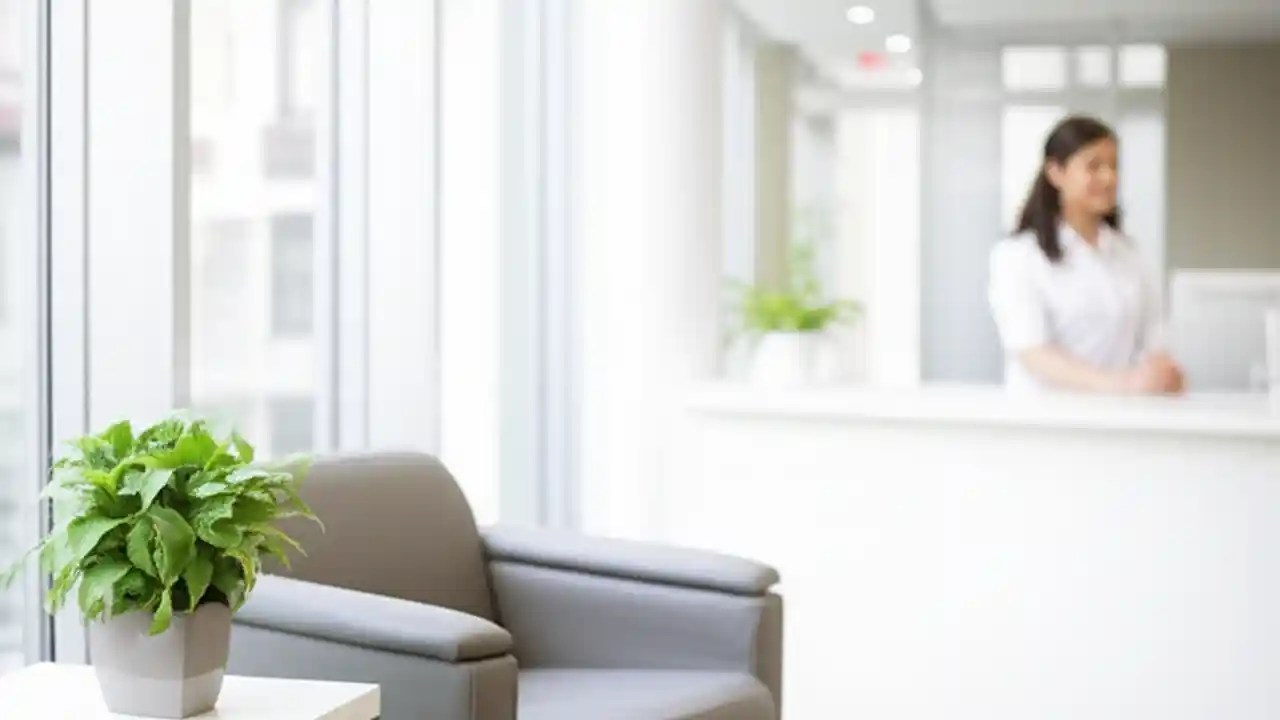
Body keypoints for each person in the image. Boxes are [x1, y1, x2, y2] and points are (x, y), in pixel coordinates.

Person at [988, 115, 1184, 394]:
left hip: (1120, 418)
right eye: (1094, 166)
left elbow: (1154, 337)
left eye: (1114, 166)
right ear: (1056, 172)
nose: (1109, 178)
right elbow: (1033, 352)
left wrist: (1163, 375)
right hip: (1046, 421)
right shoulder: (1018, 256)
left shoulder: (1130, 254)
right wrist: (1119, 384)